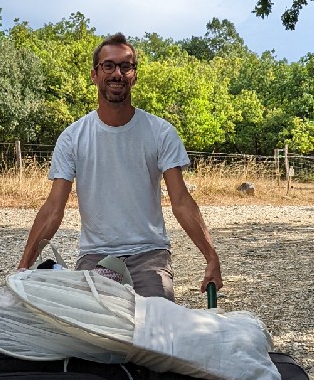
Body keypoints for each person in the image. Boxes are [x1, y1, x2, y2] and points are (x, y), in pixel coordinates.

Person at [18, 33, 223, 300]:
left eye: (126, 66)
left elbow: (181, 200)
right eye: (109, 66)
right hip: (96, 255)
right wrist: (23, 265)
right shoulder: (73, 137)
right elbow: (53, 208)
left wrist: (211, 256)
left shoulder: (160, 132)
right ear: (94, 74)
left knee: (156, 326)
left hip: (150, 253)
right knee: (95, 329)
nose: (117, 73)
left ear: (134, 76)